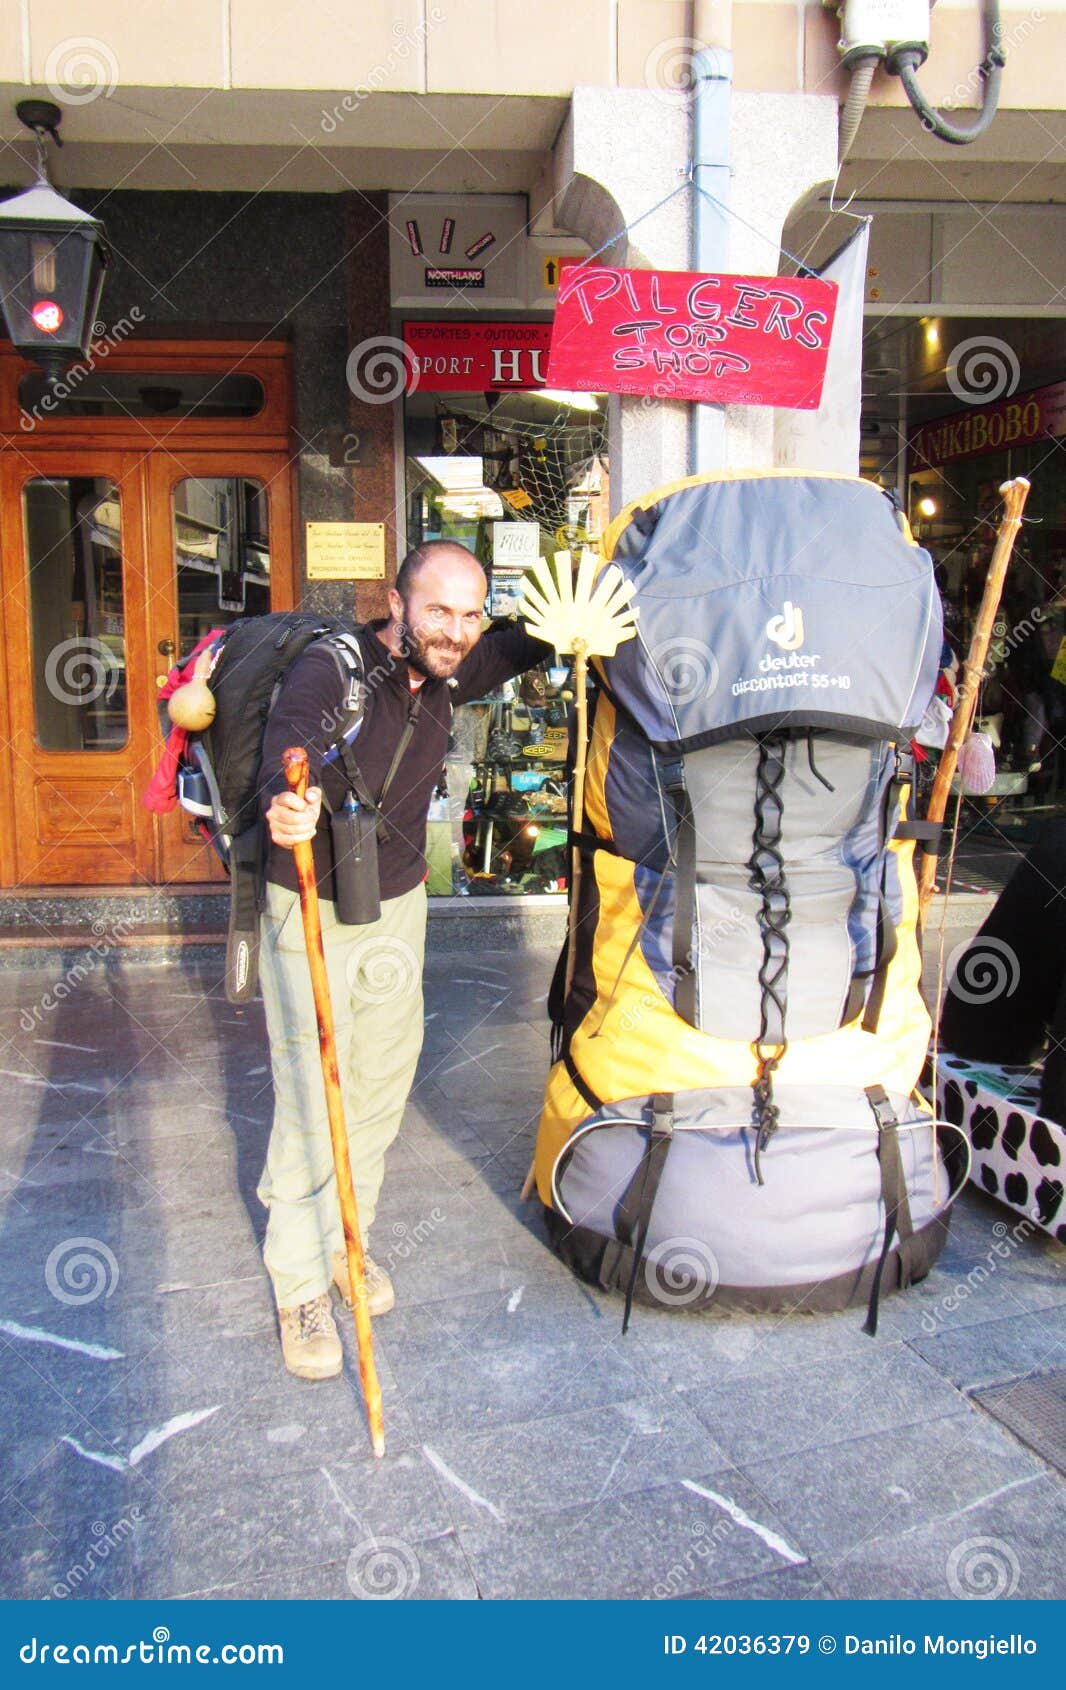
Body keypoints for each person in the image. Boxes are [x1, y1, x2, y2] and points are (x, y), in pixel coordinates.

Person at [257, 539, 548, 1379]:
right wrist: (289, 800)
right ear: (397, 602)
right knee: (314, 1089)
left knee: (381, 1081)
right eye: (436, 610)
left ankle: (351, 1241)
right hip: (308, 900)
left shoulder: (457, 665)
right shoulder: (337, 666)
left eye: (468, 613)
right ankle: (299, 1284)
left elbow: (527, 639)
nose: (453, 630)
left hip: (396, 903)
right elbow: (293, 738)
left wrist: (571, 617)